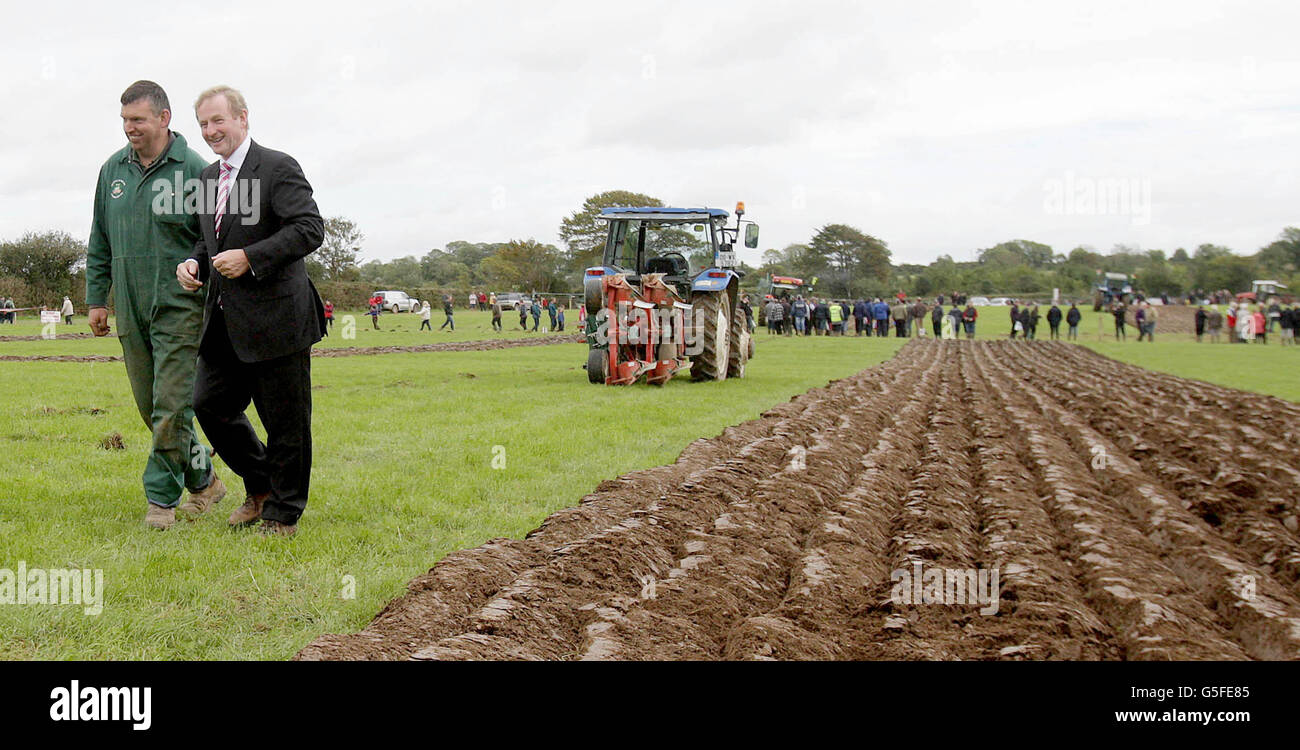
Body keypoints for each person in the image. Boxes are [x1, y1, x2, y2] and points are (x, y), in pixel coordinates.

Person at [176, 84, 324, 537]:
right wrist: (194, 263)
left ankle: (283, 513)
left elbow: (309, 228)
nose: (210, 130)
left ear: (242, 118)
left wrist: (252, 257)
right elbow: (209, 241)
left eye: (218, 120)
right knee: (209, 404)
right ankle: (260, 486)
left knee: (285, 421)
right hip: (224, 321)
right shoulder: (204, 179)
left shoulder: (278, 167)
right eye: (203, 123)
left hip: (278, 318)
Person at [90, 80, 224, 530]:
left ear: (164, 118)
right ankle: (205, 479)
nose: (129, 128)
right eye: (125, 120)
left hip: (179, 306)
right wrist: (96, 298)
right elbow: (99, 240)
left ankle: (161, 502)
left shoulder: (197, 171)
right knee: (151, 408)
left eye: (138, 120)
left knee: (171, 405)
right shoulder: (112, 171)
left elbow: (214, 241)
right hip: (129, 306)